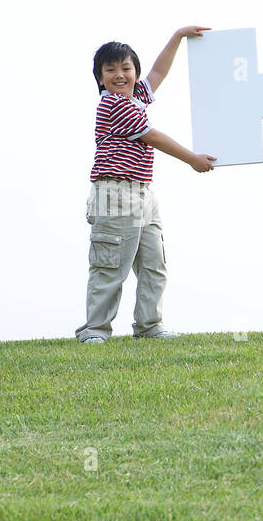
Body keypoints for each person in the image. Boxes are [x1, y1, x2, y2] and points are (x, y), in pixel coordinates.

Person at [75, 26, 216, 343]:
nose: (120, 75)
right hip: (114, 191)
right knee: (110, 265)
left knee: (154, 264)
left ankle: (150, 325)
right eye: (110, 70)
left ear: (134, 73)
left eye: (126, 68)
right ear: (100, 79)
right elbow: (152, 136)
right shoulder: (113, 105)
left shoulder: (137, 95)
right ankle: (95, 329)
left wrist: (178, 36)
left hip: (142, 192)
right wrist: (192, 158)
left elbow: (159, 71)